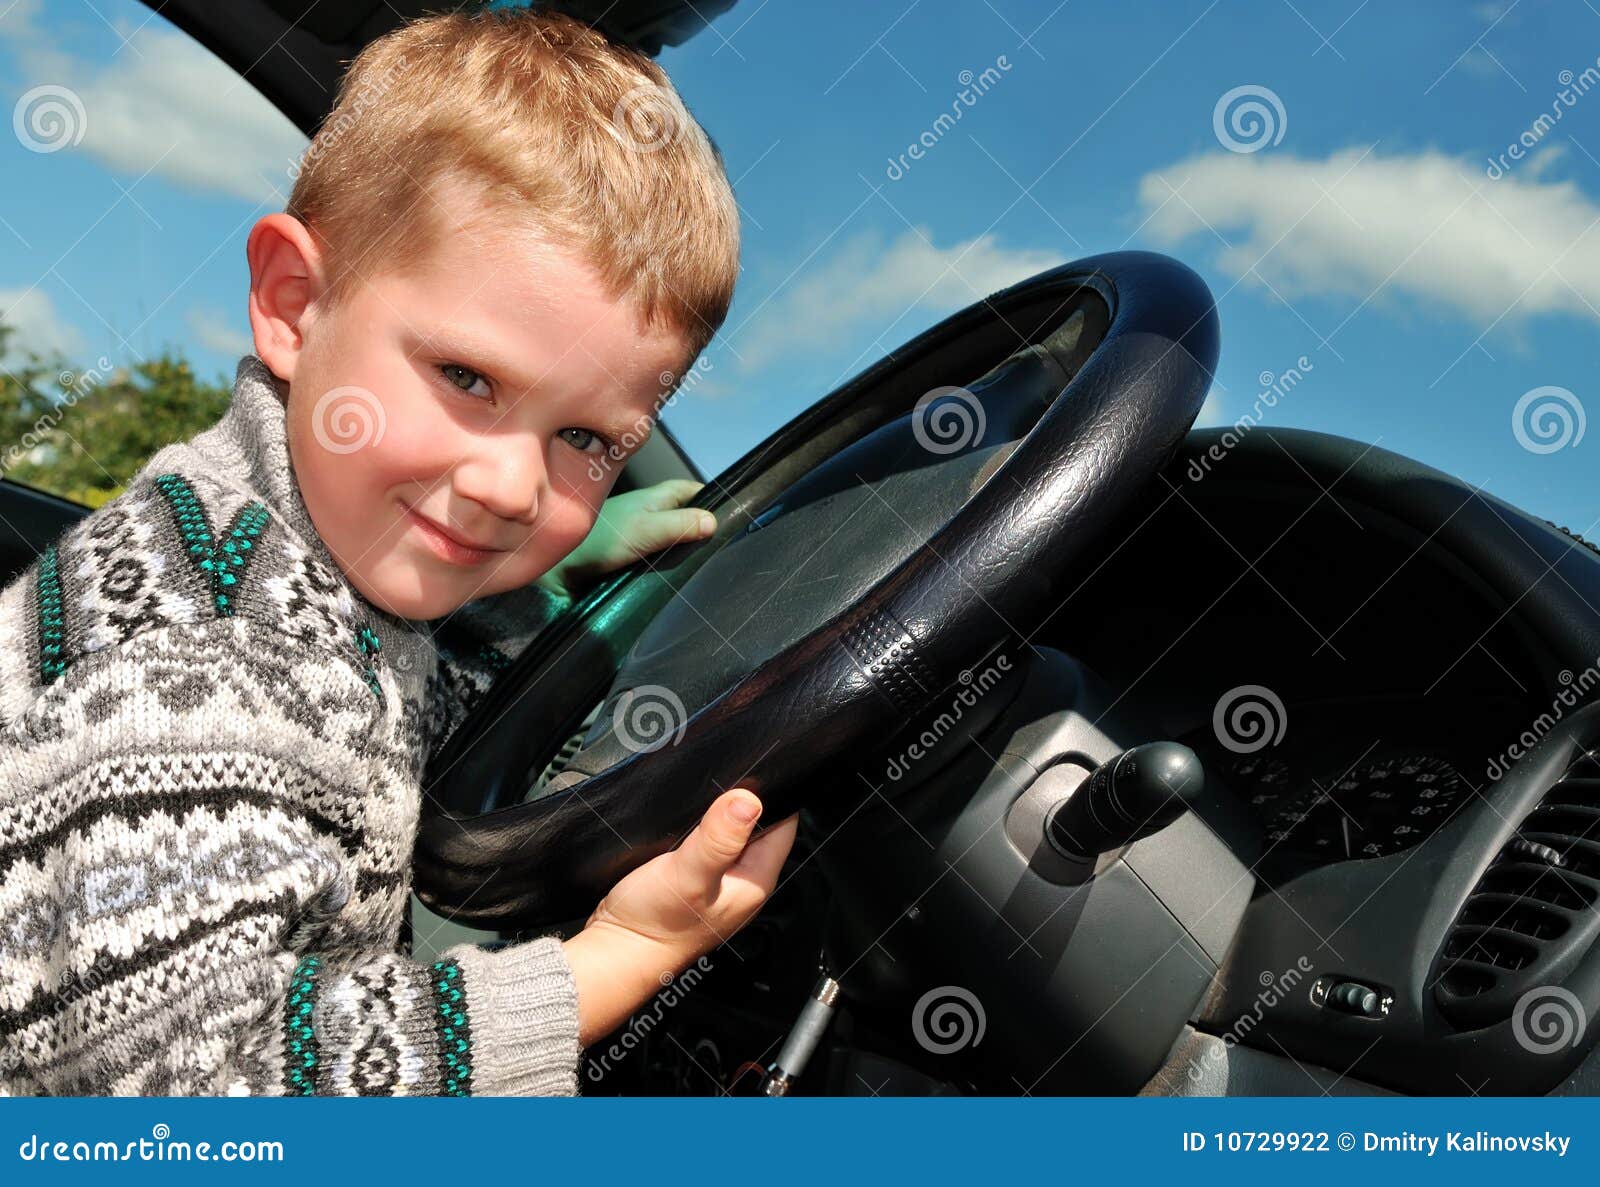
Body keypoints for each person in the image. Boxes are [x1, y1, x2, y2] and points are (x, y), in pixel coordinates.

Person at [0, 6, 796, 1095]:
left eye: (584, 440)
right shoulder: (188, 656)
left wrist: (547, 582)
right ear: (293, 302)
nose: (514, 487)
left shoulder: (317, 558)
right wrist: (619, 958)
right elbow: (195, 1086)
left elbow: (386, 691)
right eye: (468, 379)